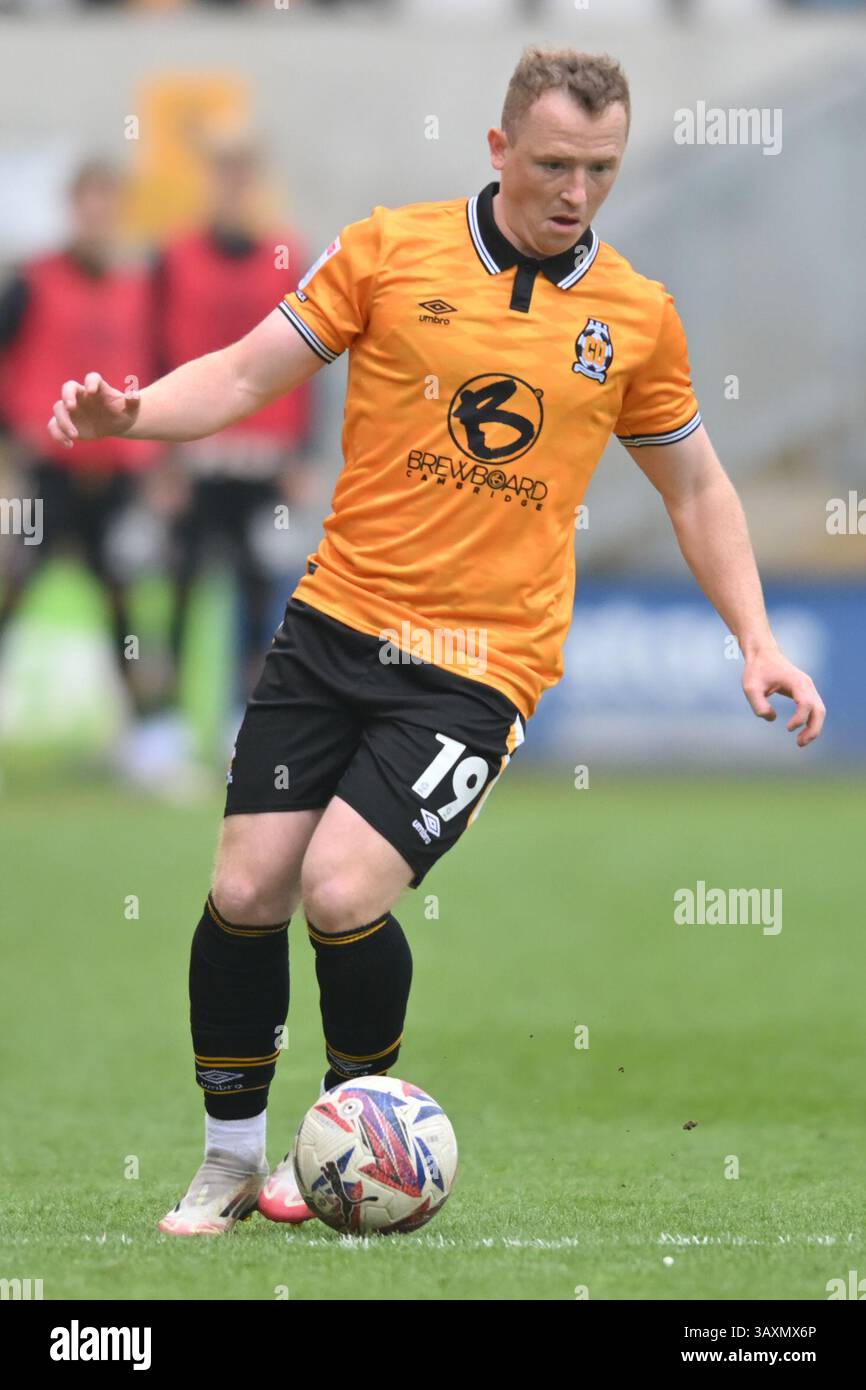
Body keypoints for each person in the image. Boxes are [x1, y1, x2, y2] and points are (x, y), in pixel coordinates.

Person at [47, 48, 826, 1236]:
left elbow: (697, 490)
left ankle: (357, 1139)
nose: (576, 190)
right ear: (498, 148)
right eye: (555, 162)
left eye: (602, 169)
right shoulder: (387, 250)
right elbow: (252, 371)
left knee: (340, 886)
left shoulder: (633, 316)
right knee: (246, 885)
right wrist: (135, 413)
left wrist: (756, 637)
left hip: (477, 664)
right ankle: (228, 1160)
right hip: (333, 623)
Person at [154, 134, 313, 715]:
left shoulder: (286, 255)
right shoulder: (175, 256)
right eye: (224, 172)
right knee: (181, 587)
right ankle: (164, 724)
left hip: (263, 460)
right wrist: (159, 457)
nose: (233, 185)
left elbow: (309, 356)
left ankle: (242, 720)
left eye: (243, 172)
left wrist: (302, 453)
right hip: (196, 458)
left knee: (257, 595)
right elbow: (155, 353)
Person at [0, 159, 160, 731]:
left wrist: (160, 463)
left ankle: (145, 734)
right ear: (73, 209)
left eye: (107, 203)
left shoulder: (140, 288)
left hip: (115, 476)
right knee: (13, 587)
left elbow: (159, 371)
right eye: (87, 203)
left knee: (123, 601)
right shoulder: (31, 281)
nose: (97, 215)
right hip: (44, 473)